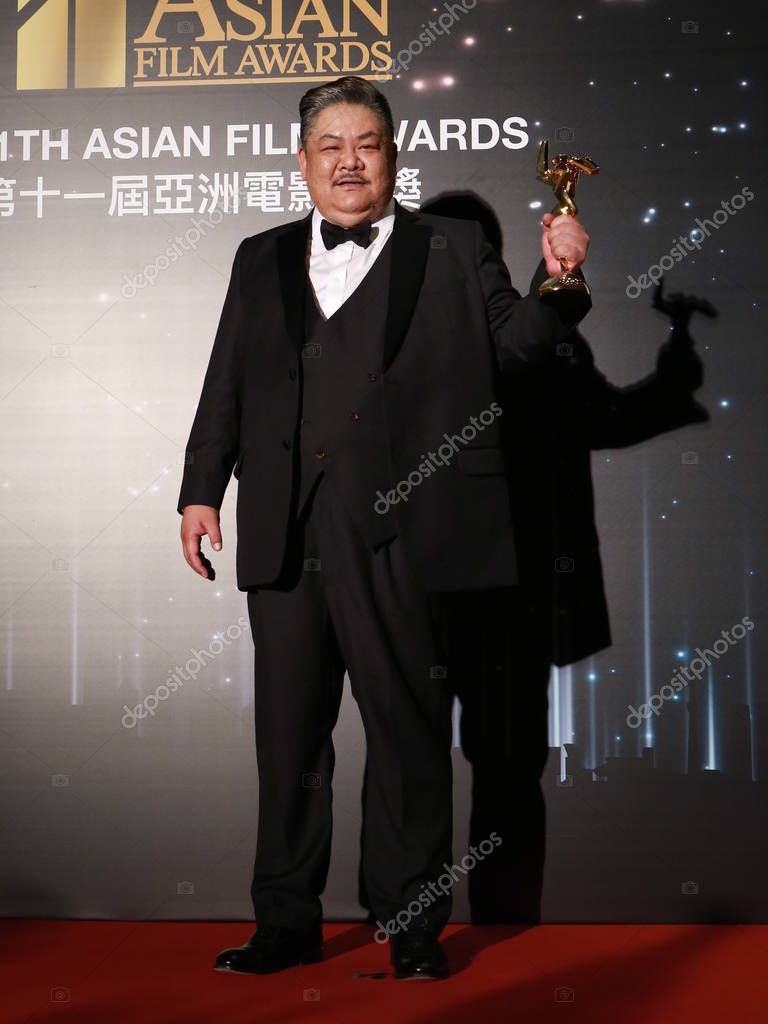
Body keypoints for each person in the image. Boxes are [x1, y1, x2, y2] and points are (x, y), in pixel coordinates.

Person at [177, 76, 591, 980]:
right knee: (288, 742)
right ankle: (284, 922)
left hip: (406, 532)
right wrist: (200, 488)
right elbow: (227, 384)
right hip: (288, 530)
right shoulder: (259, 257)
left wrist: (557, 279)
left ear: (393, 156)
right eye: (330, 145)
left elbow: (519, 346)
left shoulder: (454, 246)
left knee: (405, 735)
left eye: (365, 143)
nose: (348, 161)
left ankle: (410, 928)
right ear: (303, 162)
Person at [355, 192, 709, 925]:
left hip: (503, 600)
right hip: (425, 591)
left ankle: (491, 927)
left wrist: (677, 364)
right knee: (424, 765)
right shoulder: (390, 339)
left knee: (498, 768)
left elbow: (604, 417)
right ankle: (416, 927)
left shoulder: (543, 336)